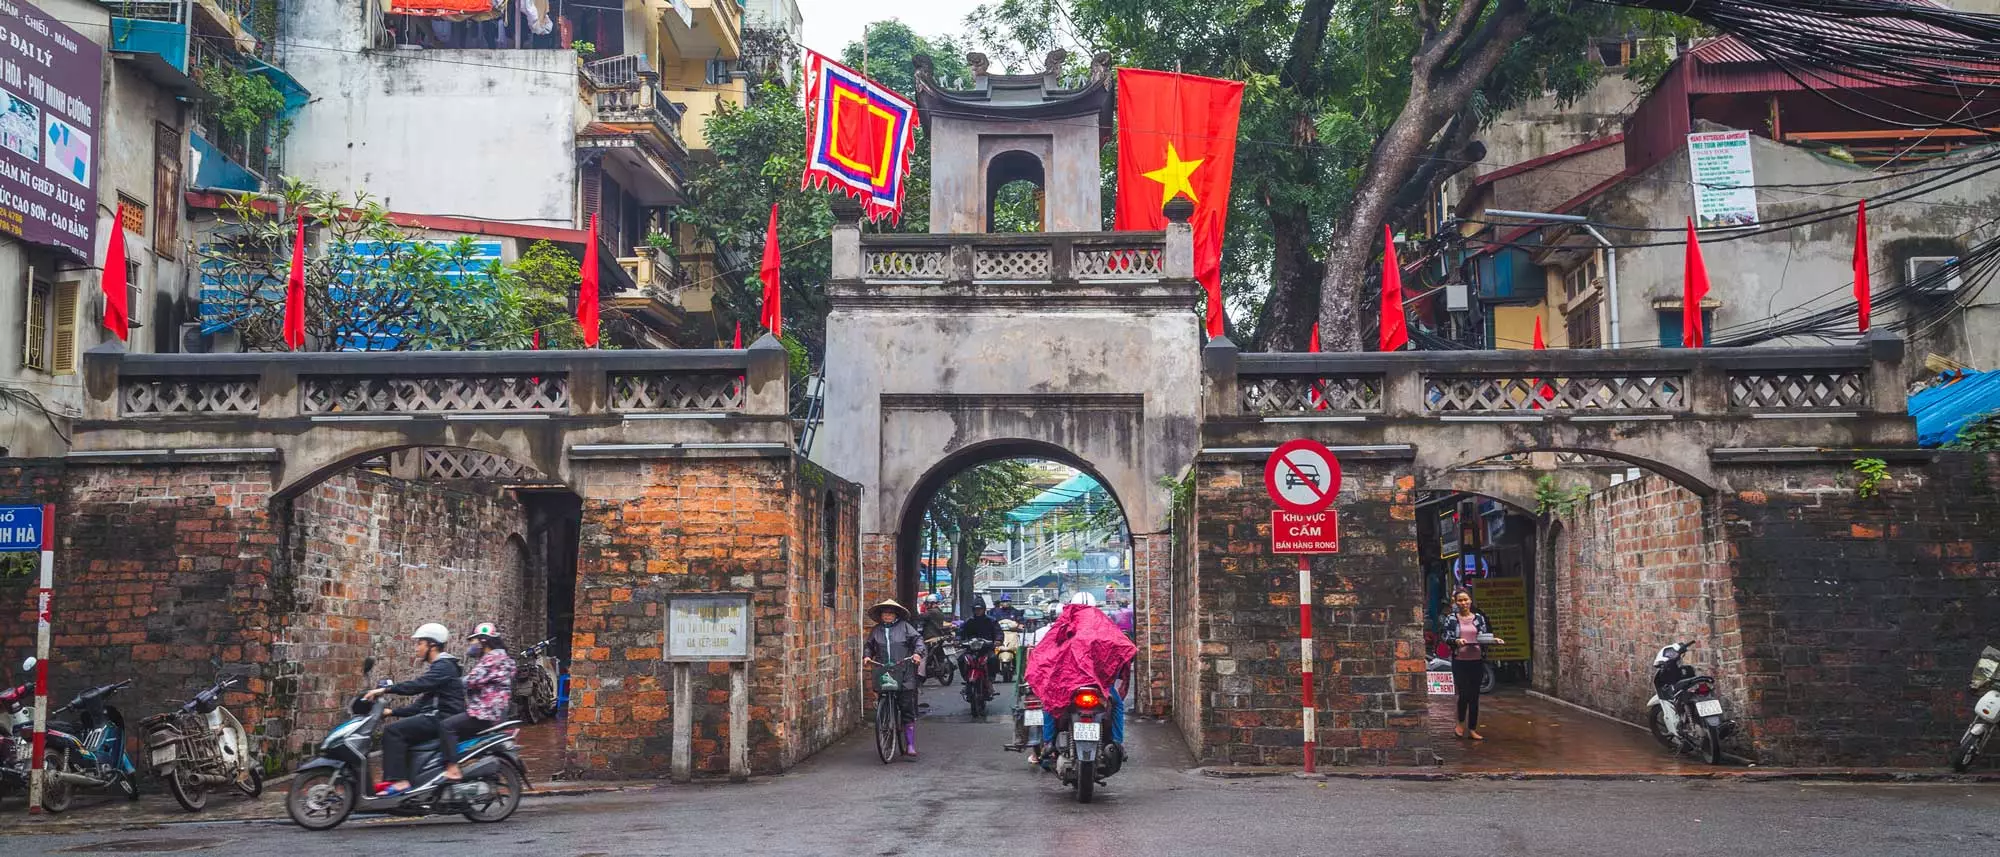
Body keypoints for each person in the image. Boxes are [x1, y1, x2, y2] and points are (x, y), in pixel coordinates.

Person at [1024, 592, 1137, 763]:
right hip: (1098, 685)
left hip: (1068, 684)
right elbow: (1120, 645)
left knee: (1049, 702)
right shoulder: (1102, 624)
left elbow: (1047, 652)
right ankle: (1118, 742)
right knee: (1117, 705)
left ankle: (1048, 743)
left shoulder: (1065, 623)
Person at [362, 623, 466, 795]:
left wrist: (386, 689)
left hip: (443, 718)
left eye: (420, 643)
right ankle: (407, 779)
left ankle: (399, 782)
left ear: (431, 645)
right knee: (403, 732)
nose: (417, 648)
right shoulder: (442, 667)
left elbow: (417, 685)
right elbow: (421, 703)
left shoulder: (444, 666)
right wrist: (392, 712)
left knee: (393, 732)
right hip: (436, 715)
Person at [437, 622, 517, 781]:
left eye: (473, 641)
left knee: (446, 726)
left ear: (483, 641)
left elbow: (472, 680)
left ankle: (452, 769)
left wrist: (448, 682)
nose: (471, 645)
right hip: (494, 712)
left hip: (484, 713)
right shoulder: (502, 658)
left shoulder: (493, 659)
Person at [1438, 588, 1502, 740]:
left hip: (1476, 660)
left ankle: (1472, 728)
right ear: (1455, 602)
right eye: (1460, 600)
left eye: (1465, 600)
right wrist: (1456, 641)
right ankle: (1460, 723)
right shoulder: (1451, 619)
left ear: (1470, 601)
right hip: (1460, 661)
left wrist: (1494, 640)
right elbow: (1445, 636)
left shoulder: (1478, 618)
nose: (1463, 603)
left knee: (1474, 696)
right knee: (1464, 693)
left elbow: (1483, 636)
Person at [864, 599, 925, 757]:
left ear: (896, 614)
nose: (887, 616)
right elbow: (869, 646)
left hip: (904, 670)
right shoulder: (876, 630)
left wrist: (917, 653)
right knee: (883, 696)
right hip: (884, 670)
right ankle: (886, 721)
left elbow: (918, 640)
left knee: (906, 706)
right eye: (885, 613)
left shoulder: (905, 627)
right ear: (881, 615)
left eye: (890, 613)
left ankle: (910, 743)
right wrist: (867, 656)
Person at [957, 603, 1003, 699]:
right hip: (971, 649)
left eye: (980, 609)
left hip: (986, 648)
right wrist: (958, 640)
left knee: (993, 658)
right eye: (976, 609)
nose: (978, 611)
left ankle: (991, 678)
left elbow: (998, 632)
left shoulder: (991, 621)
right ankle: (966, 679)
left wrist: (998, 640)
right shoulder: (969, 621)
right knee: (961, 659)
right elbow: (960, 632)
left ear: (984, 610)